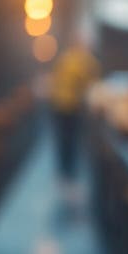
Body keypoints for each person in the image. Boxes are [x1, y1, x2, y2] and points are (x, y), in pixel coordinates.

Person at [49, 37, 100, 181]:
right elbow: (93, 85)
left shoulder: (64, 58)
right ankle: (69, 173)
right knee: (71, 140)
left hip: (58, 105)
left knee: (63, 140)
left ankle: (63, 171)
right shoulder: (86, 61)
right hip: (71, 107)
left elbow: (55, 79)